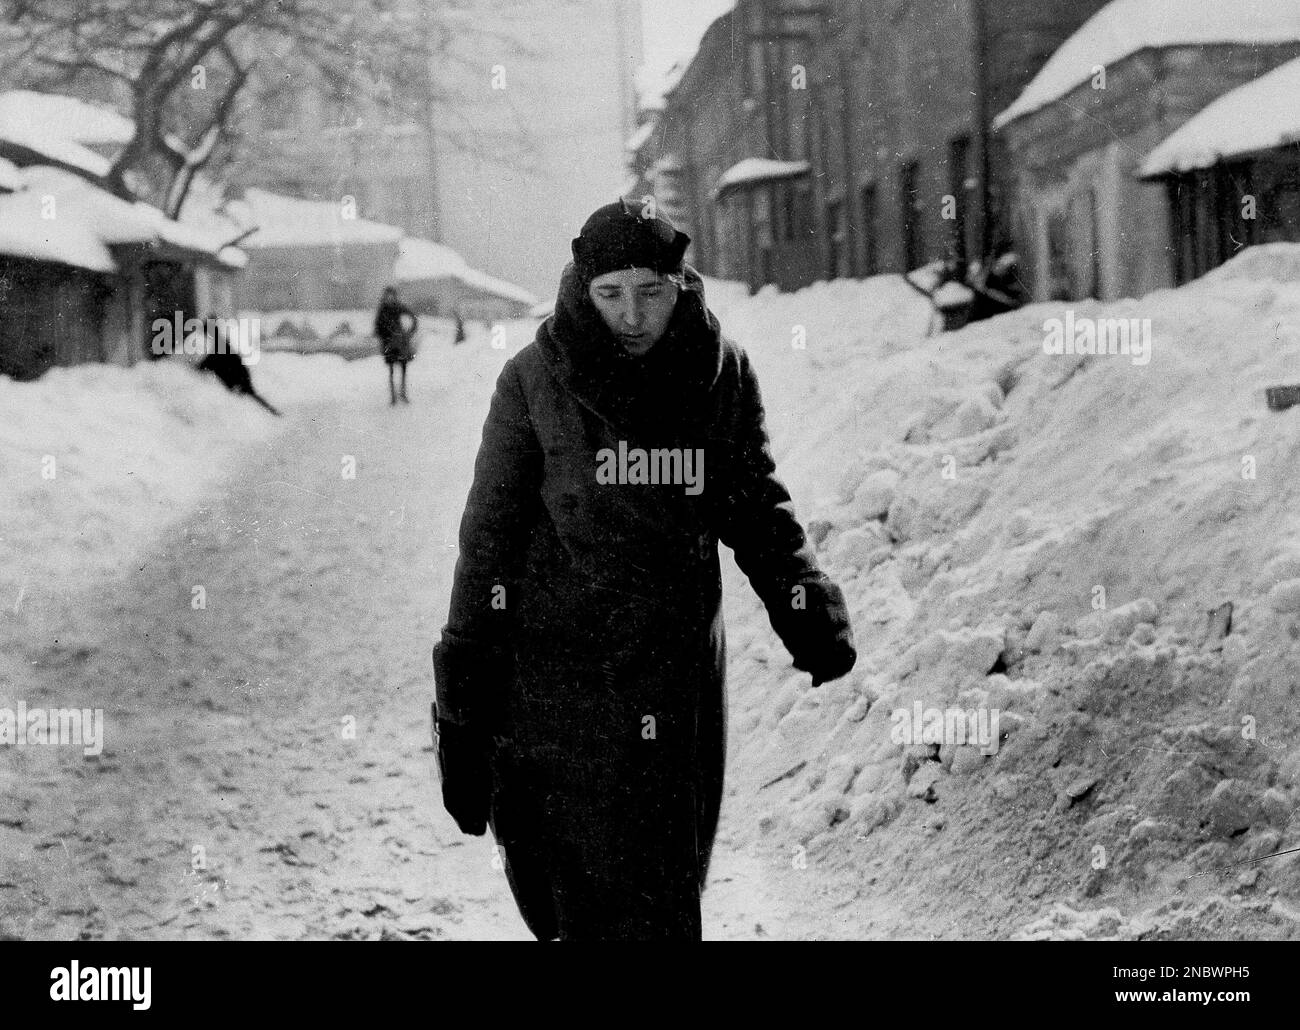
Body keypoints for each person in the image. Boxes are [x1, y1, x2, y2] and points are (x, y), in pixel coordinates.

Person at [431, 198, 856, 941]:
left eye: (651, 291)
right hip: (559, 689)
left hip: (674, 675)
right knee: (579, 903)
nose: (632, 316)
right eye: (611, 294)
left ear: (681, 285)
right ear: (581, 289)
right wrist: (464, 712)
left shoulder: (717, 375)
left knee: (662, 890)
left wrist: (805, 609)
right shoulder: (533, 383)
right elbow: (488, 546)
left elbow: (752, 502)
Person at [373, 285, 419, 404]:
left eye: (392, 296)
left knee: (403, 369)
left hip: (400, 343)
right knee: (391, 371)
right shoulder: (382, 309)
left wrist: (410, 332)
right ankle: (393, 396)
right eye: (388, 296)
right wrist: (384, 337)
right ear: (385, 297)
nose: (390, 298)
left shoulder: (398, 307)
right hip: (389, 344)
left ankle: (403, 393)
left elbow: (413, 316)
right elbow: (377, 328)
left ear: (394, 296)